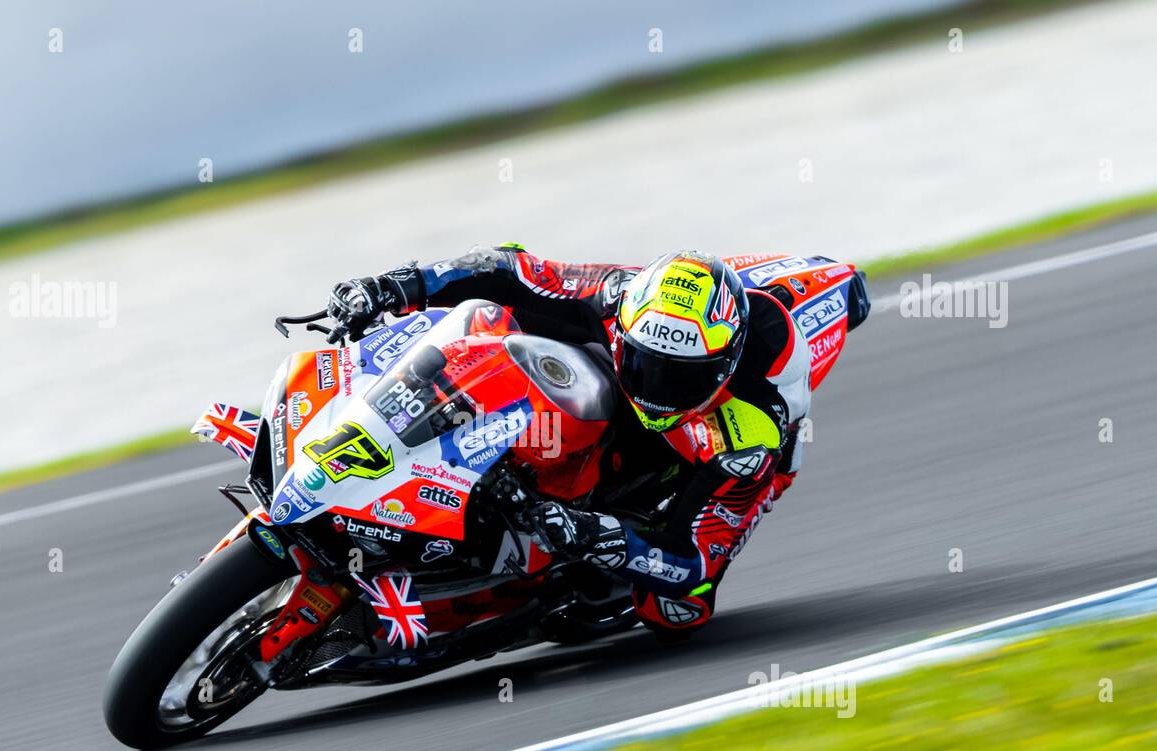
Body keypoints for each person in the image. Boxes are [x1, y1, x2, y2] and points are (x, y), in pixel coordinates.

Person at [325, 243, 867, 637]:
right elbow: (508, 267)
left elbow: (692, 563)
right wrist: (398, 285)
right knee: (491, 319)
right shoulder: (616, 292)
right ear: (627, 322)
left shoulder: (754, 429)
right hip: (723, 308)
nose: (654, 388)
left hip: (724, 431)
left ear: (719, 369)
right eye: (643, 363)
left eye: (675, 377)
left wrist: (602, 536)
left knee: (676, 609)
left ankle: (581, 542)